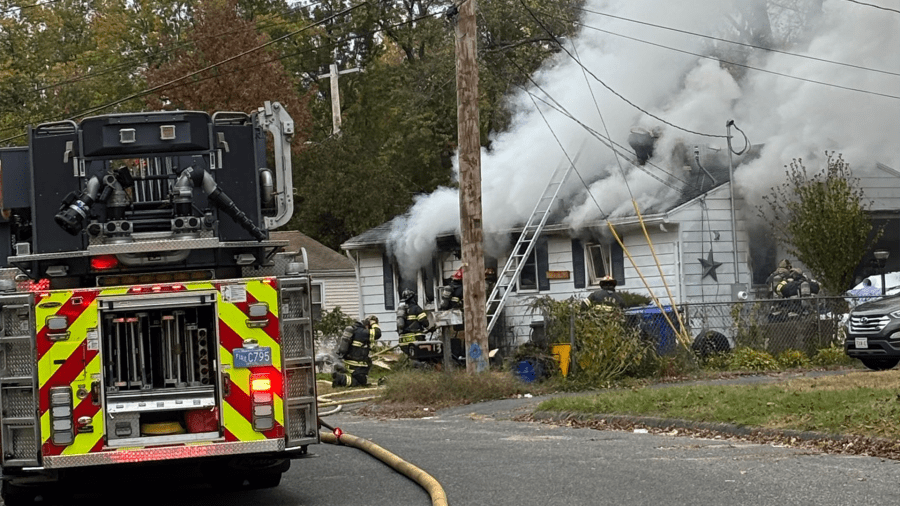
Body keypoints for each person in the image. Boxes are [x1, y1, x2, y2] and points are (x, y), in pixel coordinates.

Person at [332, 315, 381, 387]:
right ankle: (340, 379)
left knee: (363, 379)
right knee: (360, 383)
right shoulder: (362, 333)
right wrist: (374, 323)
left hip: (350, 364)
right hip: (356, 366)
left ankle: (342, 376)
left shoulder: (356, 330)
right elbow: (377, 333)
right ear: (367, 325)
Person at [397, 289, 430, 357]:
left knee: (409, 358)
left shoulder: (402, 311)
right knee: (420, 357)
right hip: (416, 339)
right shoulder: (416, 309)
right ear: (412, 298)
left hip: (403, 341)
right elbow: (425, 323)